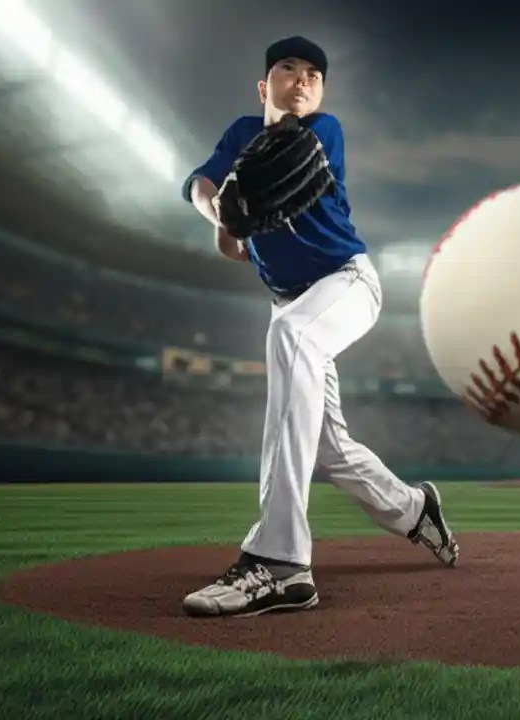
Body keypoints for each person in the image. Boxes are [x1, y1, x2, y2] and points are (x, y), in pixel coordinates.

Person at [178, 36, 458, 617]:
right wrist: (221, 214)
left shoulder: (323, 130)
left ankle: (279, 559)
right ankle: (412, 508)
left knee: (292, 339)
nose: (303, 80)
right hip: (290, 300)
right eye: (288, 69)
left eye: (314, 74)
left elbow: (285, 169)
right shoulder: (238, 135)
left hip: (346, 283)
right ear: (264, 86)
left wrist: (240, 201)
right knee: (329, 448)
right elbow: (204, 194)